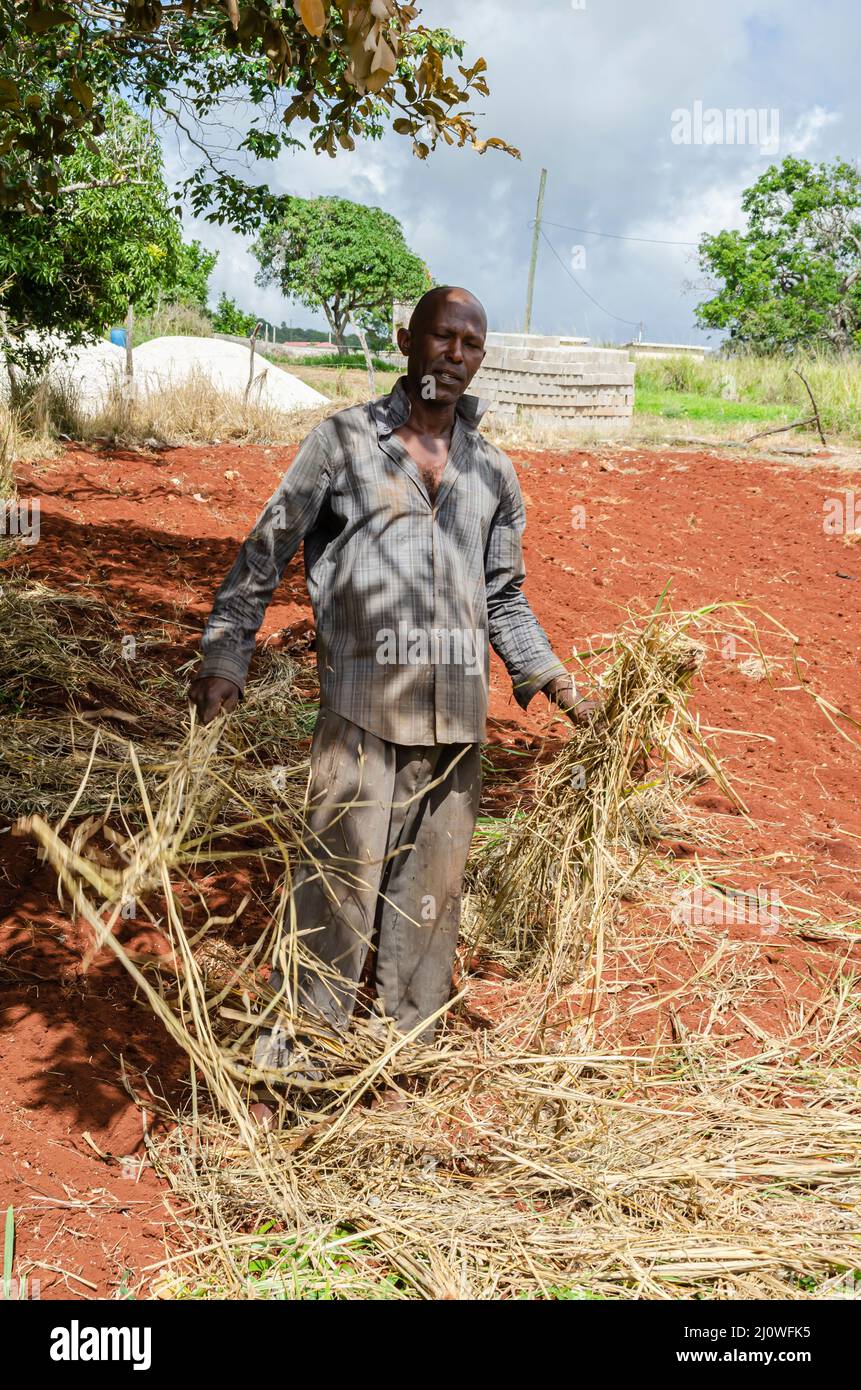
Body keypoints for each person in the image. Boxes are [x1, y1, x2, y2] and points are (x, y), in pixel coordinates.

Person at [189, 286, 597, 1094]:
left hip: (456, 729)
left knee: (428, 906)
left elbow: (504, 596)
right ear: (408, 341)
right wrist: (223, 658)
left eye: (471, 344)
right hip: (360, 719)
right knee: (334, 898)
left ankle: (399, 1065)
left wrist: (551, 680)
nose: (455, 353)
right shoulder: (342, 442)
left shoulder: (492, 471)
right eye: (441, 337)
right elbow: (264, 552)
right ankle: (302, 1067)